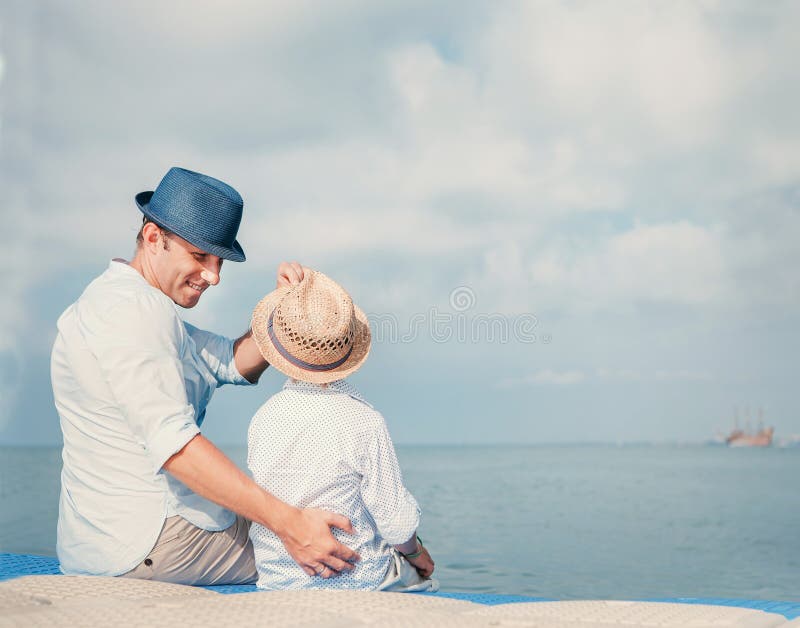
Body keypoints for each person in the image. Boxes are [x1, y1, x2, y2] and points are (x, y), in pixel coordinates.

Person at [51, 167, 359, 585]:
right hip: (151, 544)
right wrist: (290, 525)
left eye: (219, 261)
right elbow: (174, 445)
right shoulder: (132, 313)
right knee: (338, 550)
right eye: (200, 257)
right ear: (154, 238)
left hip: (103, 545)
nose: (213, 276)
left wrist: (284, 307)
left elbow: (230, 361)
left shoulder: (132, 304)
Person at [246, 269, 437, 591]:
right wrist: (418, 554)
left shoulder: (262, 419)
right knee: (422, 583)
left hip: (278, 580)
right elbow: (394, 522)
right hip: (357, 580)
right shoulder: (363, 420)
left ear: (279, 349)